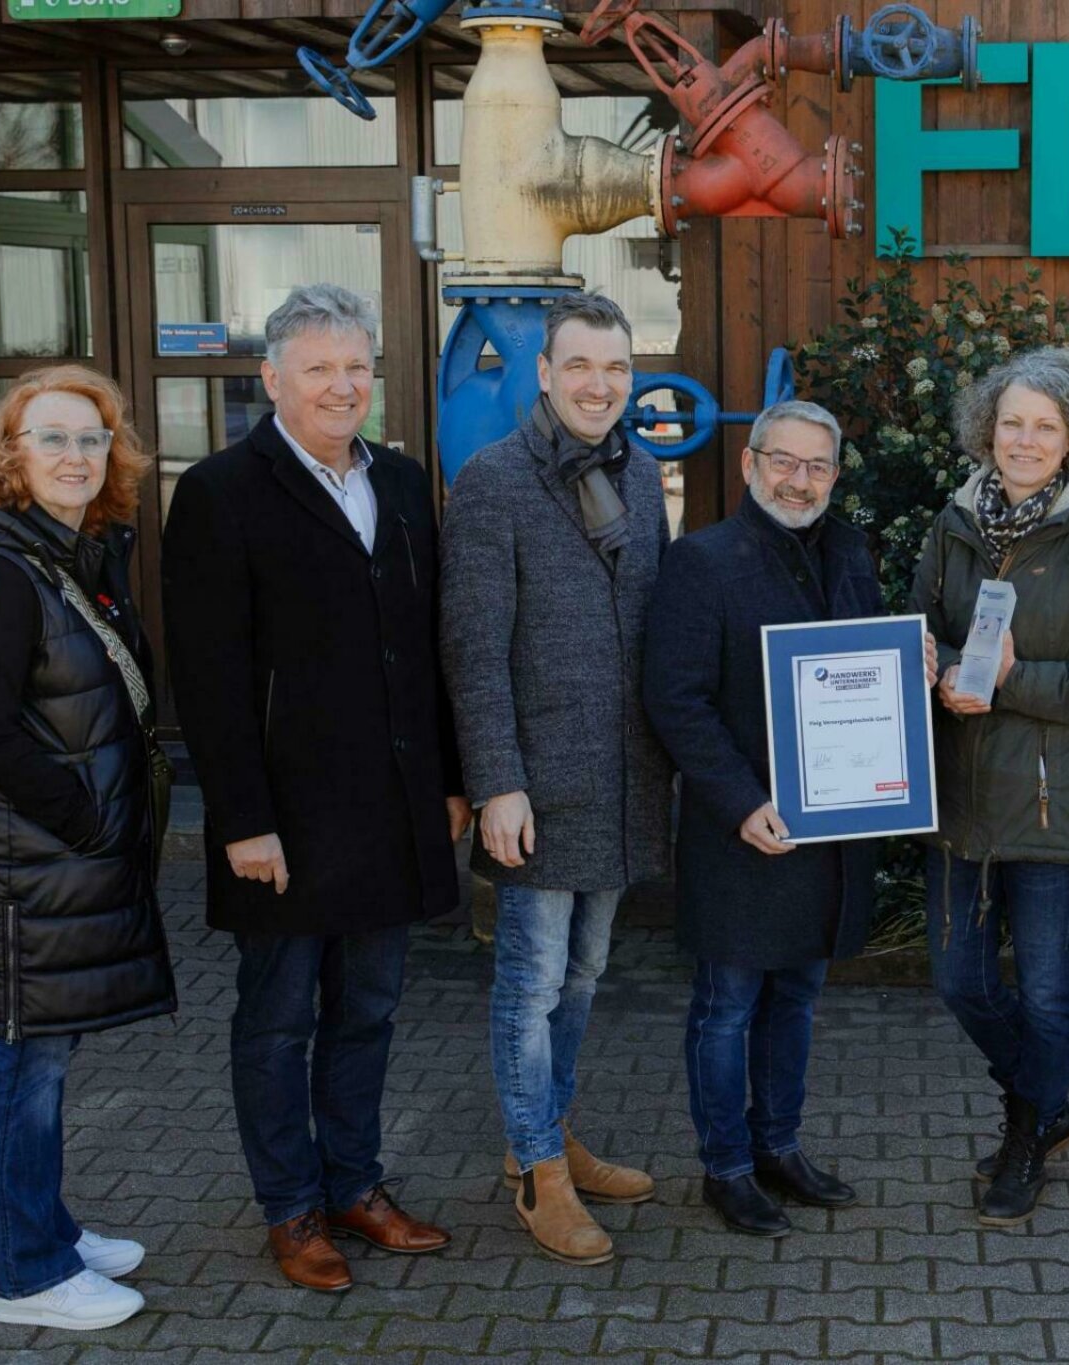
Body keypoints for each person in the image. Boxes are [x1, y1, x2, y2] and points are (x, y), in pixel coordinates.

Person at [163, 284, 466, 1293]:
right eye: (319, 369)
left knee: (368, 1011)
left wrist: (452, 783)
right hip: (284, 821)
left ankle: (354, 1188)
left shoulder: (404, 480)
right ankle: (291, 1211)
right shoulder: (220, 492)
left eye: (356, 367)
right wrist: (240, 819)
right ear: (272, 380)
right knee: (278, 1018)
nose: (343, 387)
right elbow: (207, 675)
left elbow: (428, 648)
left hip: (389, 809)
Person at [0, 364, 176, 1330]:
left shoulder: (64, 549)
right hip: (22, 868)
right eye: (54, 437)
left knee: (44, 1060)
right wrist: (86, 821)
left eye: (92, 437)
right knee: (24, 1069)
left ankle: (48, 1228)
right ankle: (24, 1274)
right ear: (12, 455)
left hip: (48, 862)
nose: (76, 455)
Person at [644, 399, 935, 1235]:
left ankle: (779, 1146)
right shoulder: (702, 561)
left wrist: (902, 662)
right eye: (784, 461)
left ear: (835, 476)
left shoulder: (848, 549)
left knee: (798, 997)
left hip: (828, 825)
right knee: (727, 1004)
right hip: (742, 827)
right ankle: (727, 1166)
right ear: (749, 464)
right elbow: (677, 700)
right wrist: (740, 802)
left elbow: (859, 670)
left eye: (818, 467)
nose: (799, 480)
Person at [441, 290, 672, 1266]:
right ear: (543, 373)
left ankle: (546, 1132)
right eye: (579, 366)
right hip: (535, 782)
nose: (598, 385)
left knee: (582, 975)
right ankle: (539, 1174)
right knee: (529, 982)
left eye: (615, 369)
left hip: (621, 781)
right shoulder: (494, 480)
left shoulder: (646, 471)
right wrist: (495, 780)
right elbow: (472, 645)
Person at [910, 346, 1069, 1227]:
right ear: (989, 427)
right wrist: (930, 668)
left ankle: (1024, 1137)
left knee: (1050, 987)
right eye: (1011, 422)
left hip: (1057, 803)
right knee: (960, 980)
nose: (1024, 439)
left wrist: (1013, 680)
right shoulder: (952, 523)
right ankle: (1050, 1103)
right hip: (962, 797)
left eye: (1044, 426)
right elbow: (927, 636)